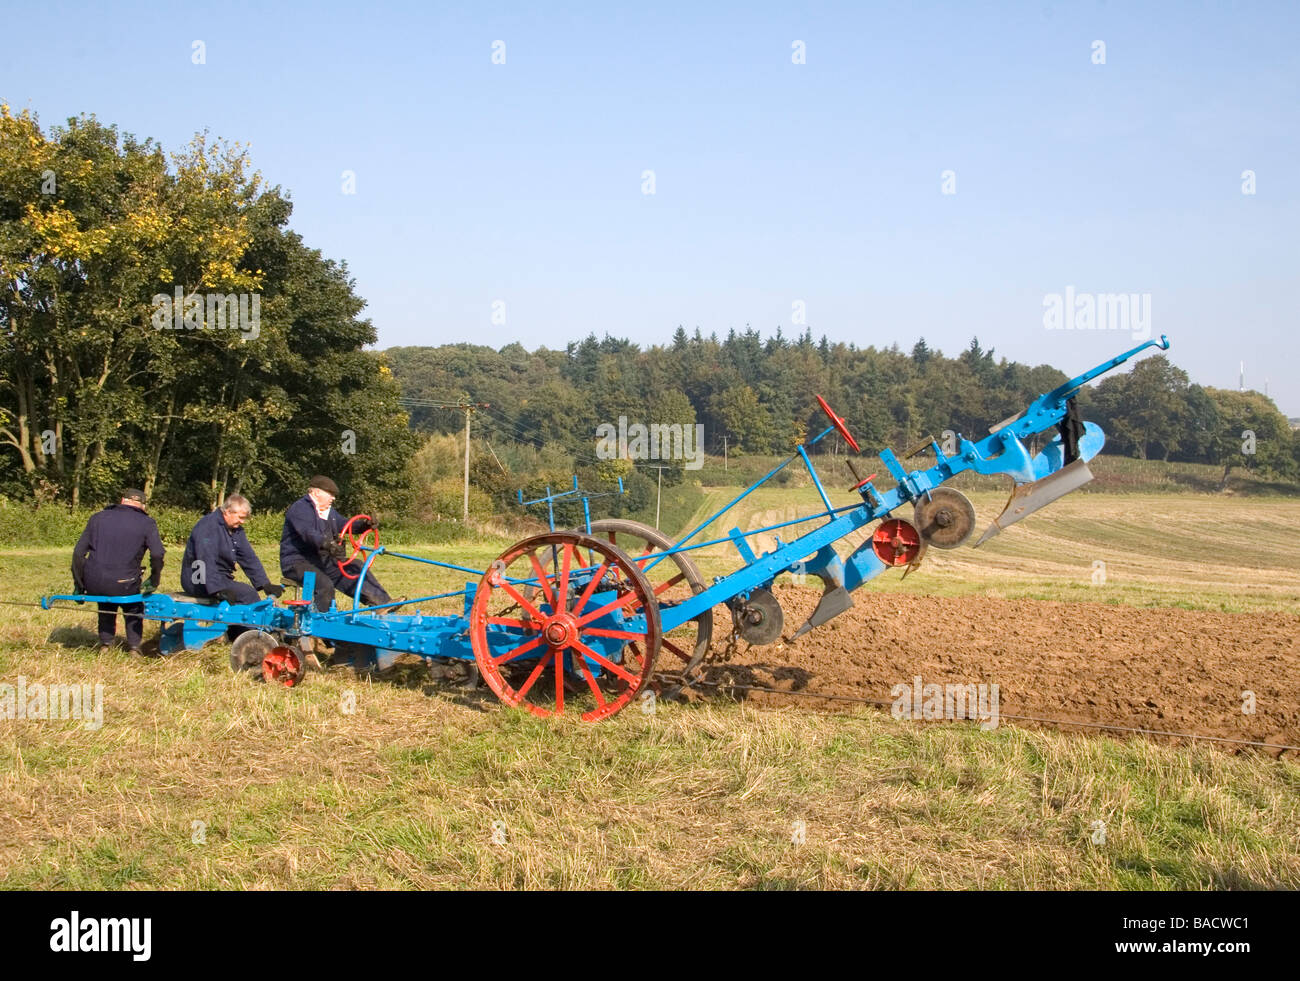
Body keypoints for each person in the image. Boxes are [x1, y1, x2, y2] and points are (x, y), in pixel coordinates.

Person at [279, 475, 399, 612]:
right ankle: (321, 625)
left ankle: (382, 604)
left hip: (321, 561)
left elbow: (345, 525)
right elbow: (309, 534)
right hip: (297, 562)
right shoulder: (300, 509)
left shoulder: (328, 512)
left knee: (356, 566)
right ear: (316, 492)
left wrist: (364, 525)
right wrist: (328, 544)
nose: (333, 498)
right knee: (324, 585)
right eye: (330, 494)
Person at [71, 488, 166, 656]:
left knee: (106, 601)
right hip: (125, 583)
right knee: (133, 606)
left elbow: (78, 554)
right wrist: (154, 579)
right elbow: (158, 553)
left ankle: (106, 644)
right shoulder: (147, 523)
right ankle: (134, 647)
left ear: (122, 500)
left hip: (94, 582)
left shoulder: (97, 518)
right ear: (143, 505)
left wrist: (79, 584)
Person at [181, 494, 284, 606]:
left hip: (220, 578)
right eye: (240, 517)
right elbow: (205, 559)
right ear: (228, 512)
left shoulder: (235, 530)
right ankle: (246, 623)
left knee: (245, 592)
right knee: (248, 594)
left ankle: (238, 623)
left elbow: (248, 558)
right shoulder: (208, 526)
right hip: (198, 581)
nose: (243, 522)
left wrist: (265, 584)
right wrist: (217, 590)